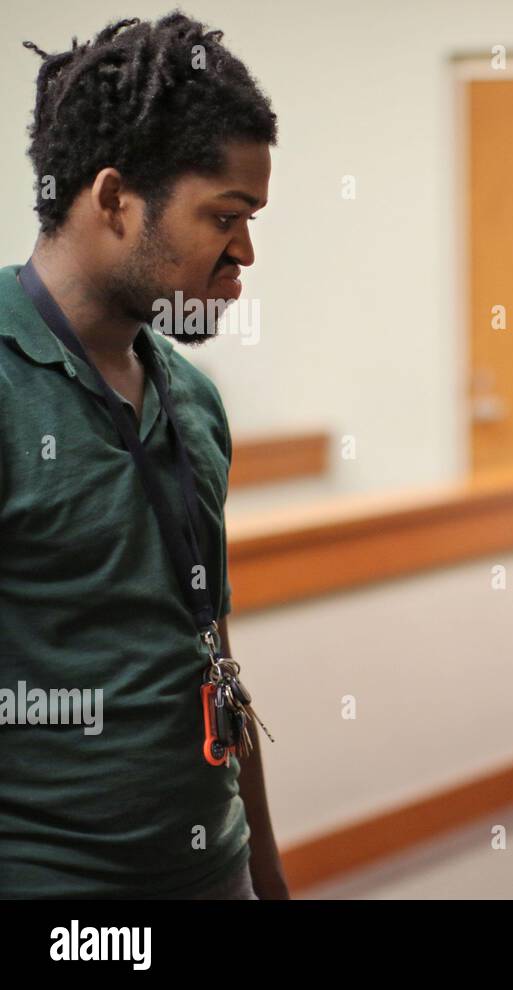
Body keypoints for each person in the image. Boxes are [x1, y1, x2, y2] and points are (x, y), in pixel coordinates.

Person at [0, 12, 286, 898]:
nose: (245, 253)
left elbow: (212, 647)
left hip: (212, 867)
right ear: (116, 199)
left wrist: (266, 875)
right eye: (225, 217)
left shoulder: (191, 396)